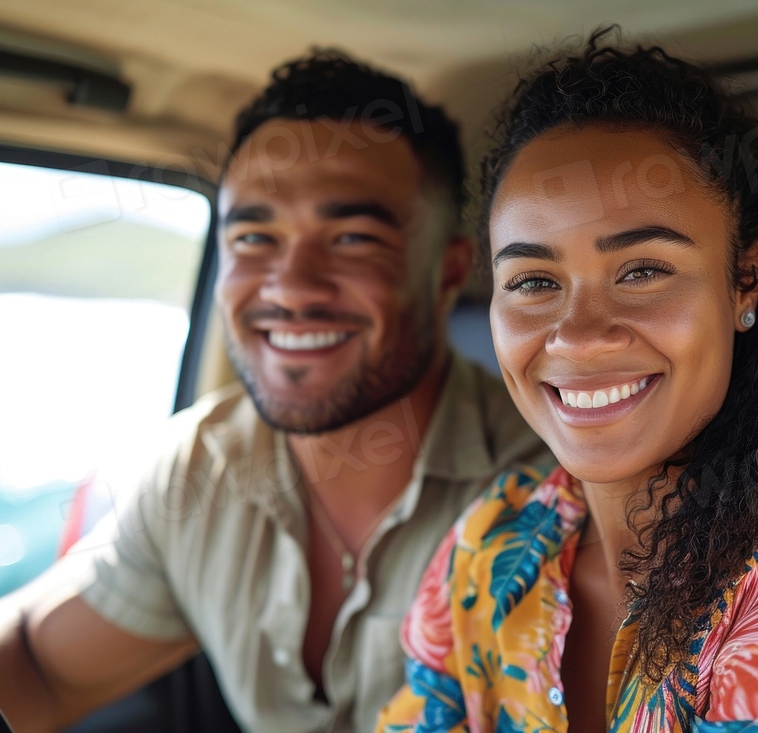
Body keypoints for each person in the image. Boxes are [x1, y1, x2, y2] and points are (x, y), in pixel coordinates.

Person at [378, 32, 758, 733]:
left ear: (744, 280)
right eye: (532, 281)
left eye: (643, 271)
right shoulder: (490, 545)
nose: (579, 334)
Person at [0, 52, 551, 732]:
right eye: (255, 236)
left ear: (447, 274)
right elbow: (40, 661)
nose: (290, 286)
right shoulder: (200, 466)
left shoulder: (552, 489)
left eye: (351, 238)